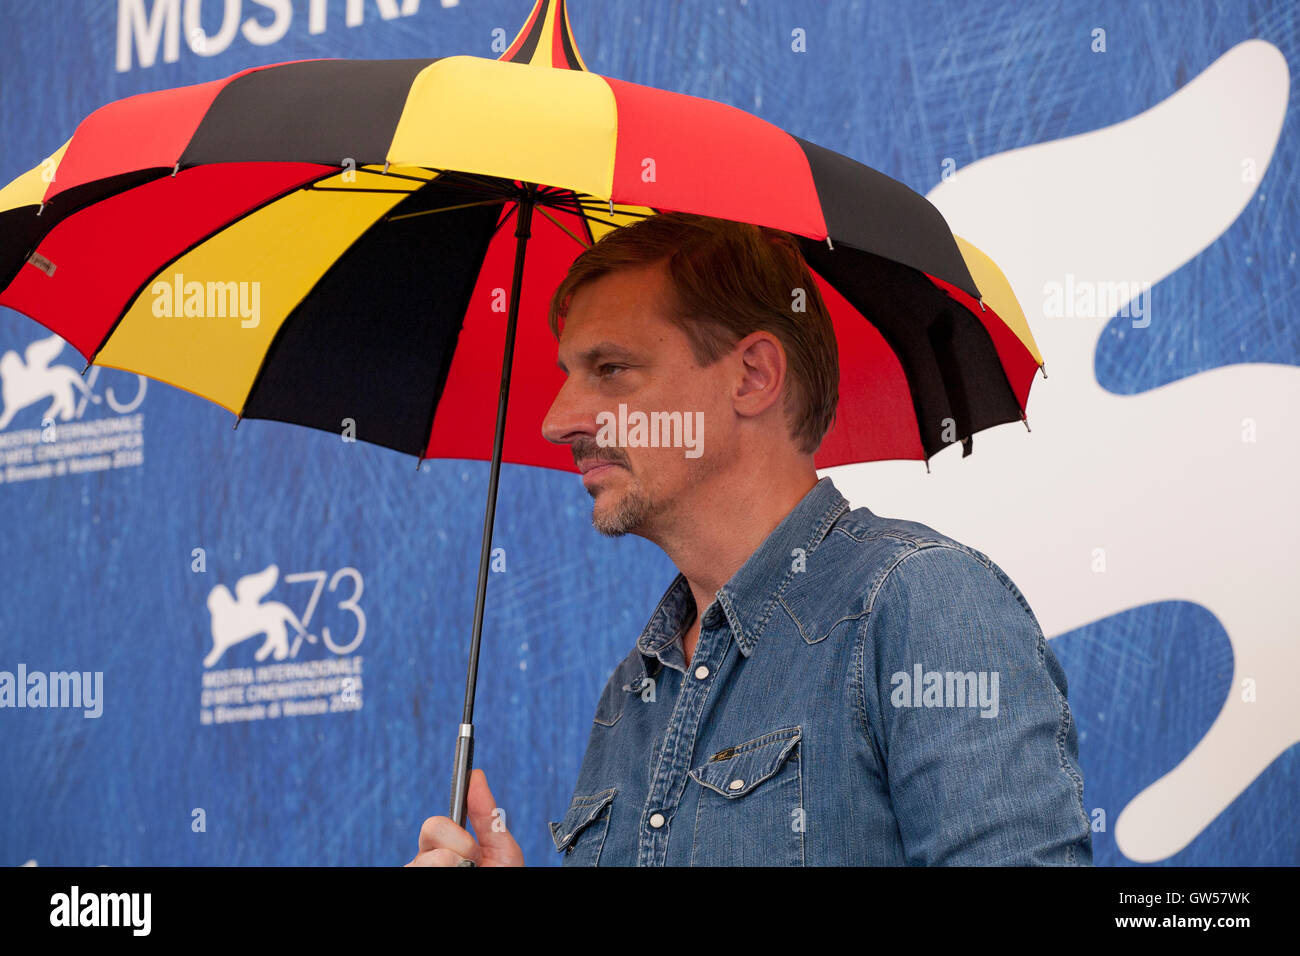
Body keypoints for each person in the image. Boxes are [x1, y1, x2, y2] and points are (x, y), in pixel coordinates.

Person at [407, 213, 1092, 867]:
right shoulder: (634, 689)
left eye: (610, 370)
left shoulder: (921, 603)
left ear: (753, 377)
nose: (558, 421)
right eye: (568, 375)